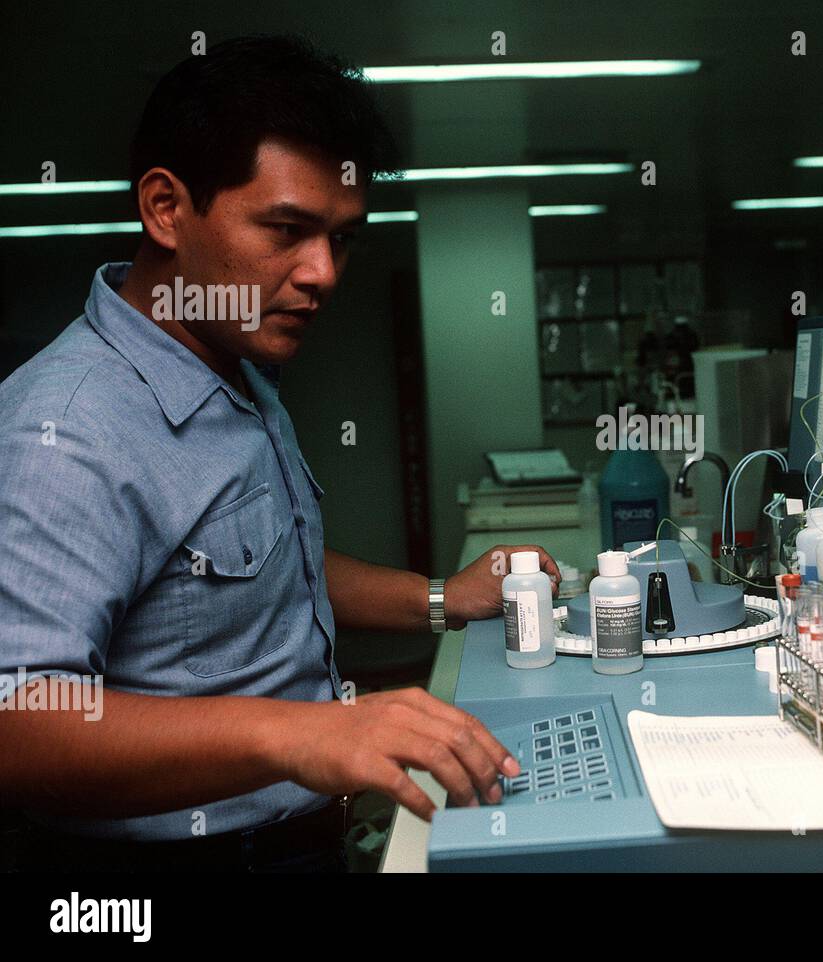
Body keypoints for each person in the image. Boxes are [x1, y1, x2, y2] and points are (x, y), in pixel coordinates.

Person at [0, 35, 559, 872]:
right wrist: (306, 732)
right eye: (288, 229)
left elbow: (256, 566)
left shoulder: (234, 365)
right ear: (165, 208)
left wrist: (443, 598)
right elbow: (21, 726)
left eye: (341, 239)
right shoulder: (65, 429)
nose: (324, 273)